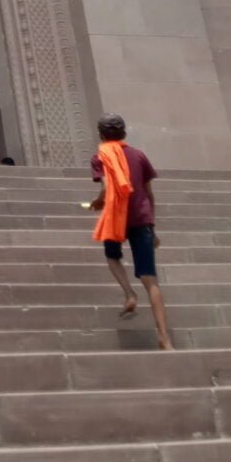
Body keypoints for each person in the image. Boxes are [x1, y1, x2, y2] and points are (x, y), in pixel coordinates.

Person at [87, 114, 172, 351]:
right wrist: (152, 226)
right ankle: (164, 338)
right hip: (141, 218)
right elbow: (149, 193)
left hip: (116, 218)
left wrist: (97, 202)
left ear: (101, 135)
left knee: (113, 256)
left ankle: (129, 294)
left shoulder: (100, 156)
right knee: (151, 280)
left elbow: (105, 188)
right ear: (124, 133)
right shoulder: (138, 155)